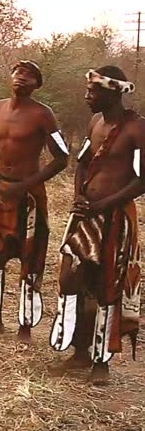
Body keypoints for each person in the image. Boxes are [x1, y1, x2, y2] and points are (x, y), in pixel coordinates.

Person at [48, 66, 143, 386]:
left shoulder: (136, 129)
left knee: (107, 287)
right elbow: (83, 163)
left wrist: (105, 203)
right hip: (85, 216)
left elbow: (143, 179)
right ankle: (79, 350)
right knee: (71, 279)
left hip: (114, 217)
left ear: (113, 92)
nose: (87, 97)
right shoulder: (94, 123)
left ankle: (101, 361)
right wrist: (78, 196)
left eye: (93, 91)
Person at [0, 61, 68, 342]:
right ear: (10, 76)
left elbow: (62, 158)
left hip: (29, 195)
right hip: (1, 190)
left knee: (29, 257)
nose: (22, 78)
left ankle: (25, 325)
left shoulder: (43, 114)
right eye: (18, 72)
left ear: (37, 84)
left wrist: (26, 185)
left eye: (30, 75)